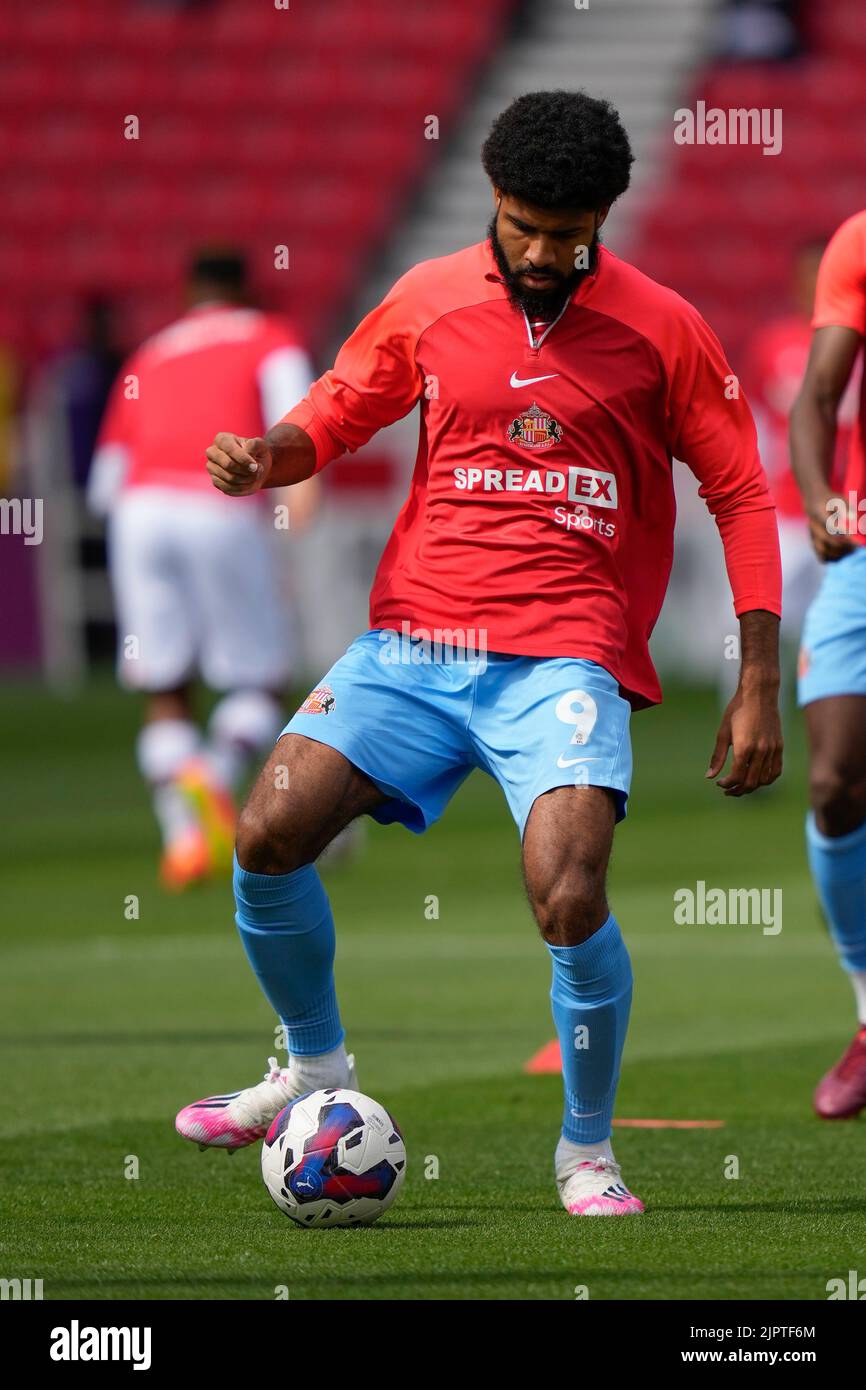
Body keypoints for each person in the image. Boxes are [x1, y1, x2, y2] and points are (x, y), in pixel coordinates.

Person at [177, 91, 782, 1217]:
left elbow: (740, 493)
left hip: (563, 657)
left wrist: (755, 683)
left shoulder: (664, 327)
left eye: (571, 231)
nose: (547, 252)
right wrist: (268, 457)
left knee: (565, 894)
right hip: (412, 642)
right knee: (264, 835)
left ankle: (586, 1150)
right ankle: (312, 1069)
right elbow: (341, 410)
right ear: (491, 202)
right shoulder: (428, 296)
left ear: (605, 214)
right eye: (525, 227)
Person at [89, 250, 316, 889]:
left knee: (165, 688)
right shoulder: (269, 336)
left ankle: (184, 836)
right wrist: (297, 506)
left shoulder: (150, 354)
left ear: (190, 293)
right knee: (258, 682)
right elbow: (295, 424)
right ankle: (213, 778)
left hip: (139, 510)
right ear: (248, 291)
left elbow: (104, 482)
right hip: (218, 504)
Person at [790, 209, 866, 1119]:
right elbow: (817, 396)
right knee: (835, 781)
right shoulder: (856, 241)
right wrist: (819, 500)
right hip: (861, 551)